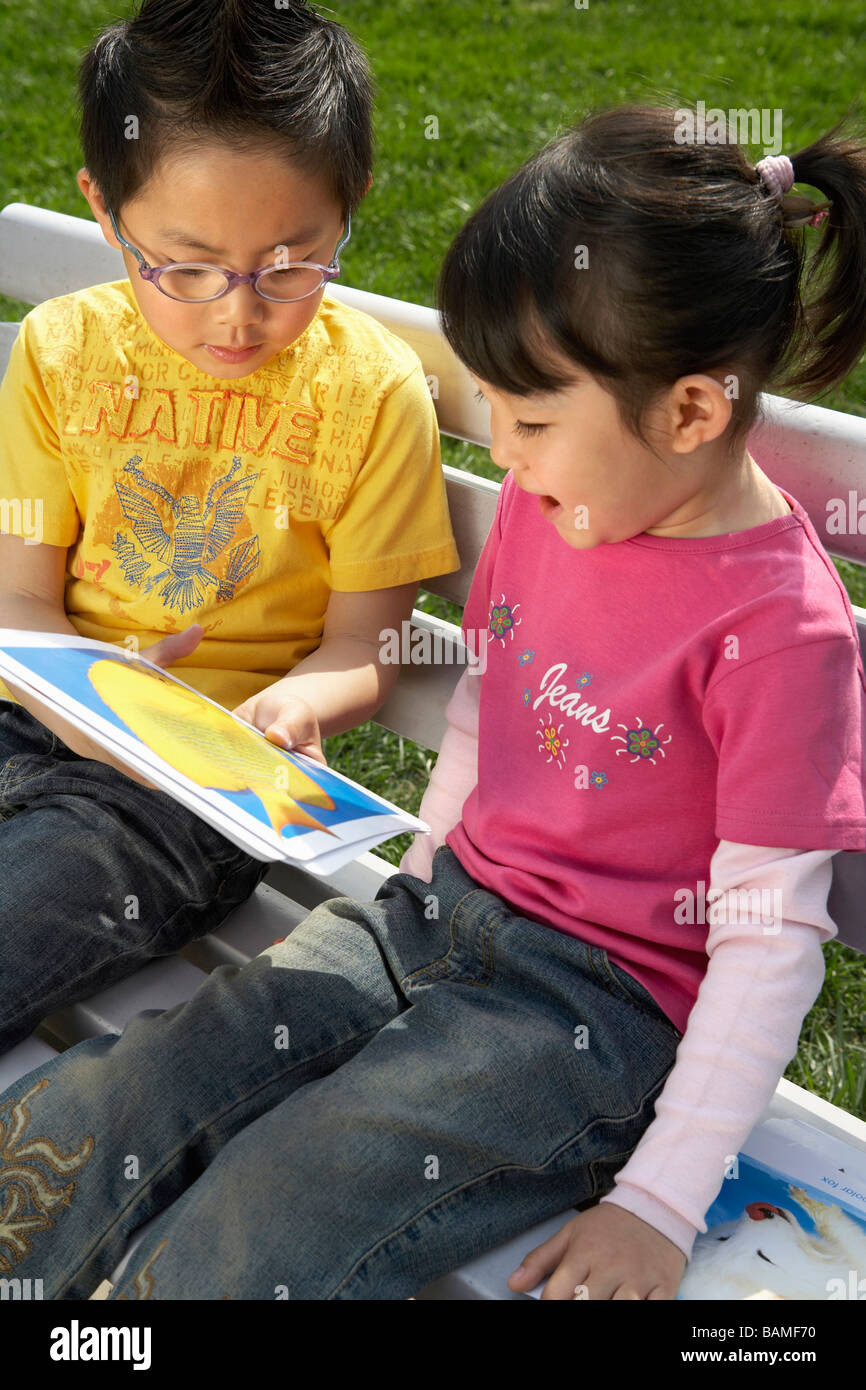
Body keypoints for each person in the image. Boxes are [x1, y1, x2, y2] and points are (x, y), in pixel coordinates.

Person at [1, 103, 864, 1302]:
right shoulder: (555, 501)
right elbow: (485, 713)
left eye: (530, 420)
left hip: (581, 1016)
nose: (500, 455)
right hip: (426, 917)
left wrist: (655, 1208)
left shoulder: (779, 630)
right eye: (491, 415)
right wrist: (415, 877)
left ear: (690, 412)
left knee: (276, 1202)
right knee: (130, 1093)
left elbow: (771, 945)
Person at [0, 0, 458, 1055]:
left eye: (290, 264)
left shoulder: (371, 393)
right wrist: (98, 698)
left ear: (352, 210)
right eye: (187, 266)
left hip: (182, 800)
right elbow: (21, 603)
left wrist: (294, 705)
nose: (237, 313)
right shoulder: (60, 351)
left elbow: (363, 647)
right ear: (107, 216)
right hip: (39, 712)